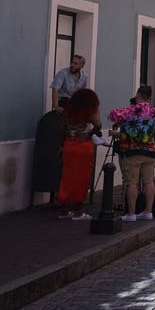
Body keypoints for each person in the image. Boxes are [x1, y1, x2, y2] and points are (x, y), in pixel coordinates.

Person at [108, 85, 155, 222]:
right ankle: (148, 211)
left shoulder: (129, 110)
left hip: (132, 151)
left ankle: (131, 213)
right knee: (149, 182)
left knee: (132, 183)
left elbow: (112, 115)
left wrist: (122, 123)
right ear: (149, 97)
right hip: (149, 151)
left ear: (137, 95)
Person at [56, 87, 105, 220]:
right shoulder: (89, 110)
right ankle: (78, 210)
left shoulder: (69, 111)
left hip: (69, 144)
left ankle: (64, 209)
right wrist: (89, 134)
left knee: (67, 177)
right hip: (83, 146)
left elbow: (62, 128)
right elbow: (98, 124)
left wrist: (61, 145)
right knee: (82, 177)